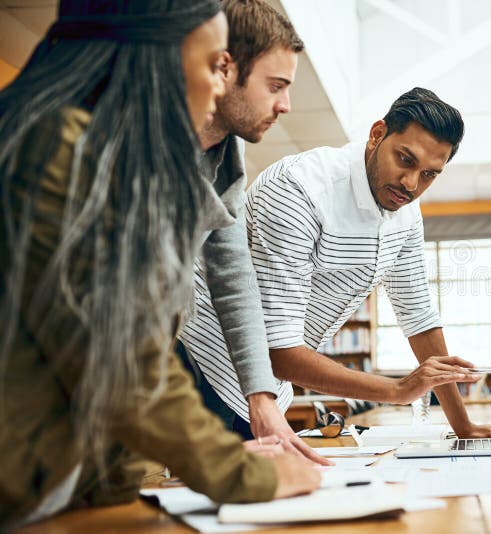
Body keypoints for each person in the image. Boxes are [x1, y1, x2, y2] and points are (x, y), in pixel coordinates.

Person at [0, 1, 318, 526]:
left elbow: (112, 361)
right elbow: (125, 359)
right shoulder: (60, 150)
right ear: (159, 56)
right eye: (213, 65)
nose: (217, 86)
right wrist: (244, 474)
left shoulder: (117, 159)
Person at [181, 88, 491, 439]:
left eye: (429, 174)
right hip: (202, 370)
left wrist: (464, 427)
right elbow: (279, 351)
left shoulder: (406, 214)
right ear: (377, 134)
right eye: (405, 159)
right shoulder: (300, 188)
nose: (411, 184)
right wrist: (397, 390)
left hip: (264, 391)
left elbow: (419, 317)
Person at [174, 0, 328, 465]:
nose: (285, 105)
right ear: (225, 69)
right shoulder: (146, 146)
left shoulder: (226, 154)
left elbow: (234, 277)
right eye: (275, 85)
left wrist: (261, 399)